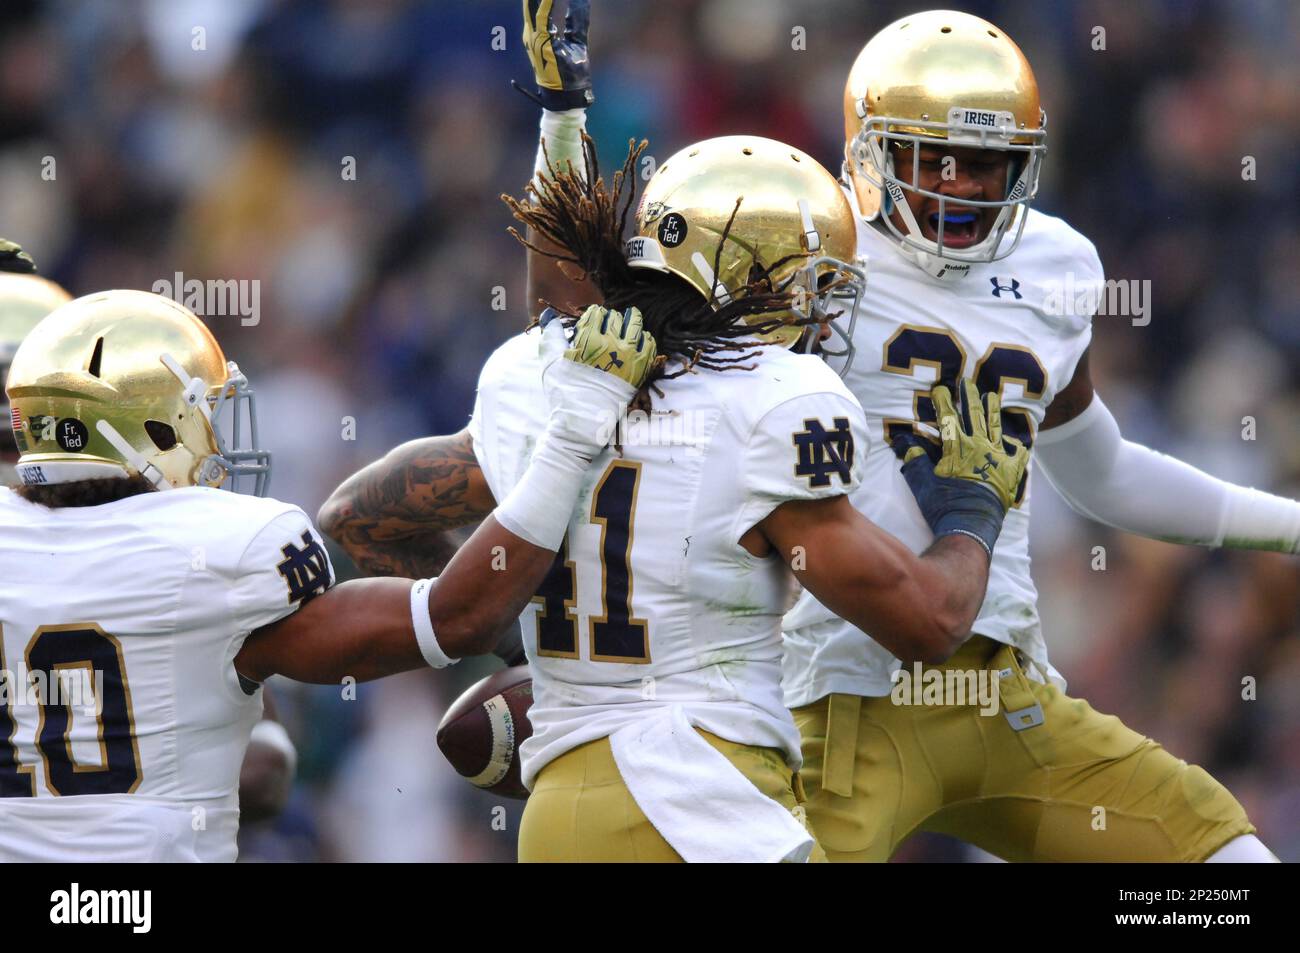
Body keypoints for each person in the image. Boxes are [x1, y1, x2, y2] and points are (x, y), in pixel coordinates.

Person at [519, 5, 1292, 862]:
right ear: (870, 152)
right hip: (844, 697)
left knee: (1225, 868)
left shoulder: (1059, 265)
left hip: (1007, 691)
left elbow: (1099, 468)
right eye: (936, 158)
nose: (959, 185)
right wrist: (563, 118)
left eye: (988, 164)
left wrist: (1289, 526)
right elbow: (578, 329)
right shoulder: (807, 244)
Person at [321, 125, 1030, 861]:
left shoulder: (539, 371)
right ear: (755, 279)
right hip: (698, 799)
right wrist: (973, 510)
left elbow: (356, 517)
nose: (824, 314)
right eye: (814, 283)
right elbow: (927, 621)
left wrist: (520, 637)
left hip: (563, 814)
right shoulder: (774, 395)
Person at [0, 287, 653, 861]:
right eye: (201, 416)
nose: (218, 440)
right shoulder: (217, 554)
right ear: (149, 432)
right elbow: (456, 615)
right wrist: (569, 437)